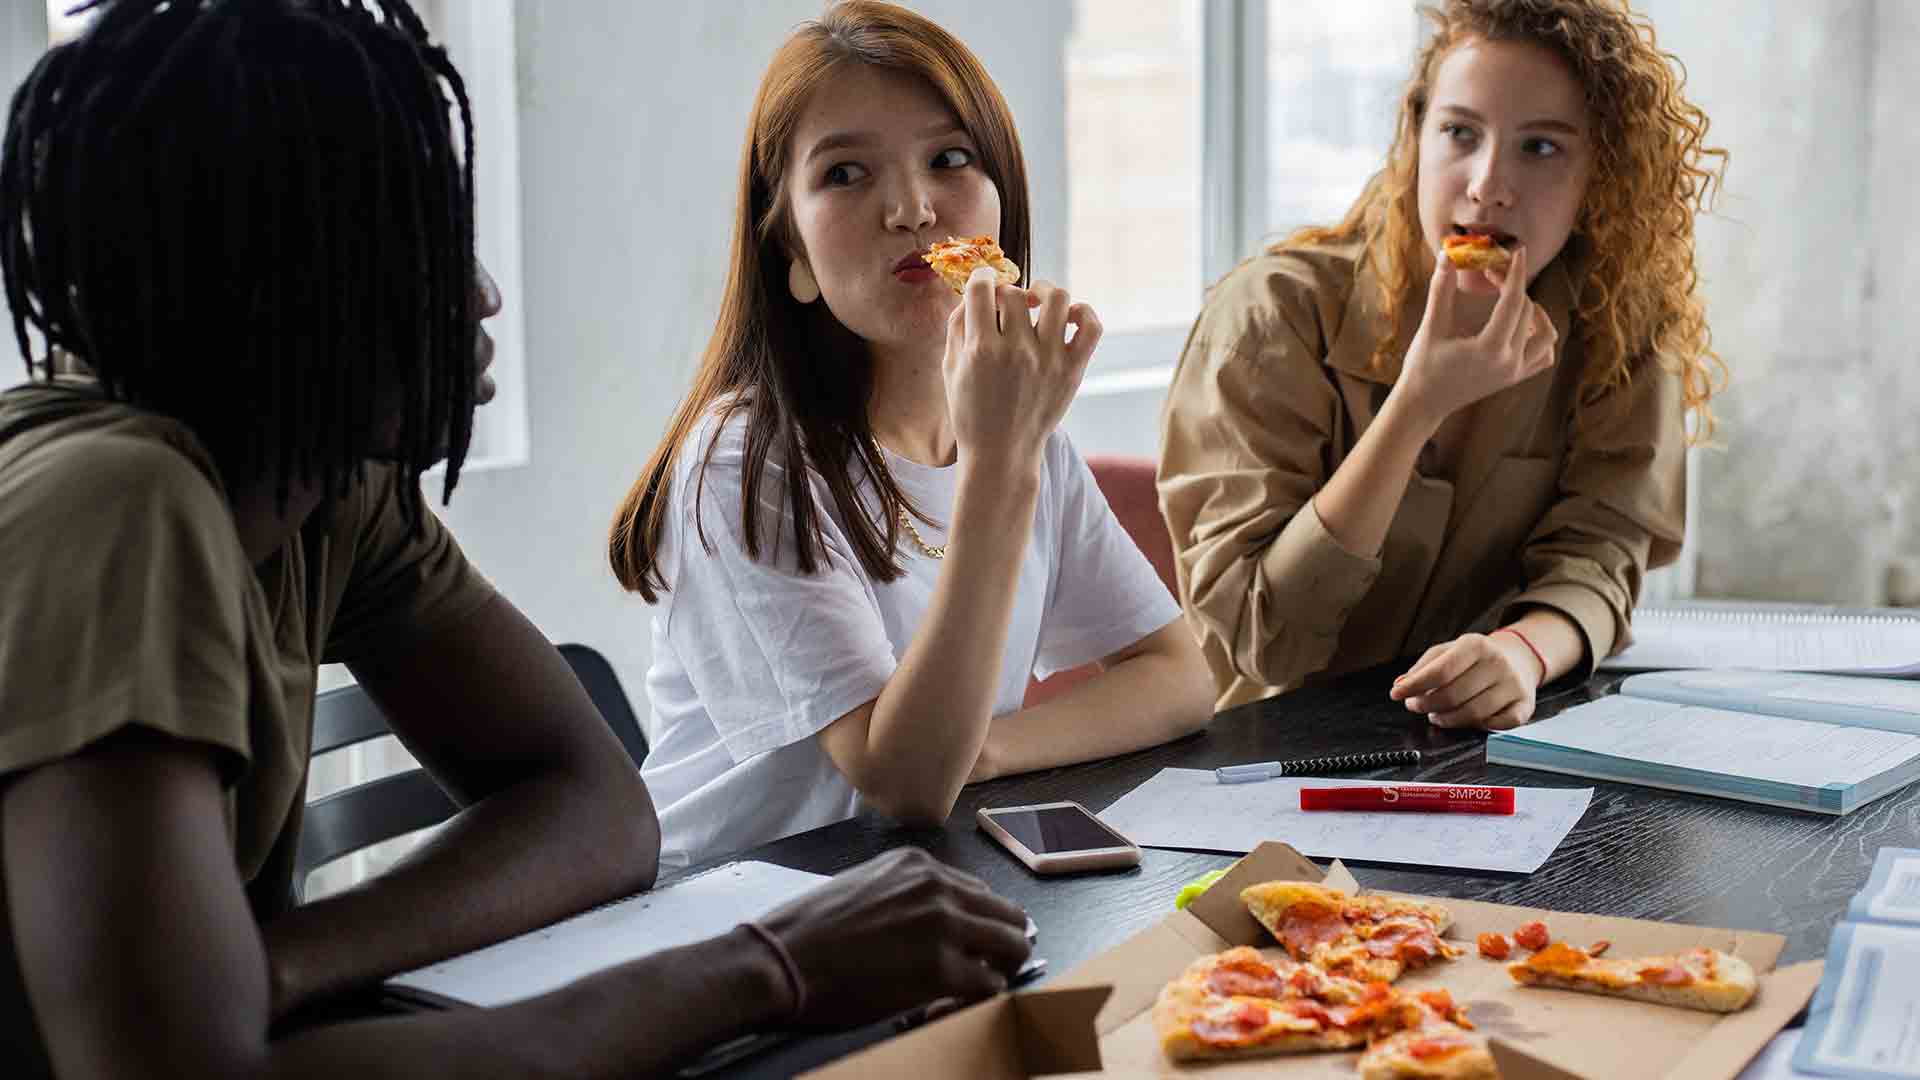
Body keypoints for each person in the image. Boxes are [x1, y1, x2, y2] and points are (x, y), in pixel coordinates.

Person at [0, 2, 1026, 1075]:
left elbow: (594, 807)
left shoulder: (330, 488)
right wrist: (767, 966)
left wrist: (276, 967)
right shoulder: (113, 502)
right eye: (416, 249)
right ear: (271, 281)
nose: (481, 297)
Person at [610, 0, 1215, 871]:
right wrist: (1003, 460)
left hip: (919, 886)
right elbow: (902, 781)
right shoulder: (744, 463)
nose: (912, 208)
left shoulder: (1021, 431)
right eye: (847, 175)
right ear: (794, 256)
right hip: (736, 917)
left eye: (949, 159)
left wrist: (989, 747)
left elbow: (1178, 677)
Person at [1158, 0, 1726, 728]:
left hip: (1492, 745)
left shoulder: (1618, 326)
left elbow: (1602, 553)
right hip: (1274, 754)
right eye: (1461, 133)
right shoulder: (1270, 317)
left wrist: (1520, 653)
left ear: (1598, 179)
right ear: (1416, 136)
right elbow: (1264, 642)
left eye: (1541, 148)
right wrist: (1416, 405)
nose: (1488, 183)